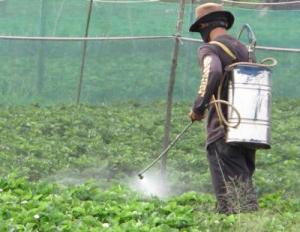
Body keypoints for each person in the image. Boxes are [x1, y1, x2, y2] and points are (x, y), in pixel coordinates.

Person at [188, 3, 259, 214]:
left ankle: (245, 224)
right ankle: (241, 221)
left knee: (233, 194)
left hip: (224, 129)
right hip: (248, 129)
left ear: (204, 26)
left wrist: (198, 108)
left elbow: (213, 72)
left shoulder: (210, 48)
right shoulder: (245, 50)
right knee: (240, 182)